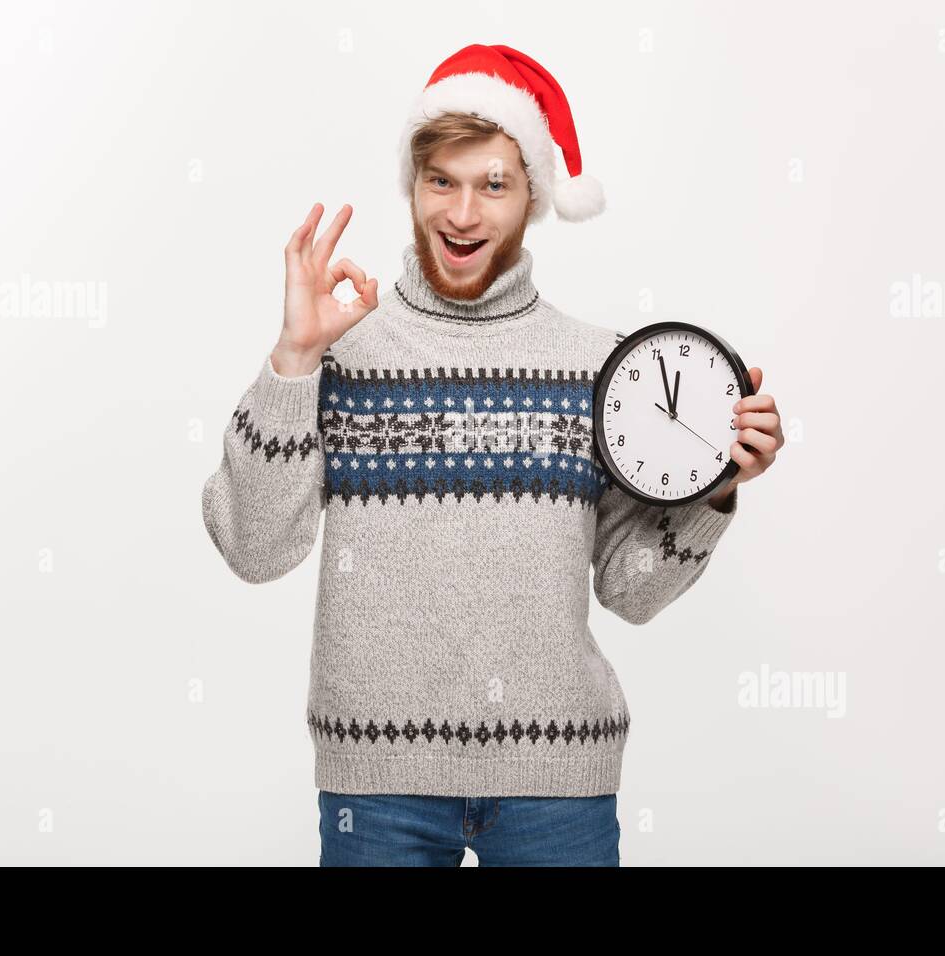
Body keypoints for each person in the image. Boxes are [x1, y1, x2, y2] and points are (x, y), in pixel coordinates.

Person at [201, 44, 783, 866]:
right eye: (442, 180)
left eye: (493, 185)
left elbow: (630, 591)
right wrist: (293, 360)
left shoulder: (599, 369)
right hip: (377, 782)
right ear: (413, 185)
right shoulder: (342, 350)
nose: (464, 214)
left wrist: (715, 491)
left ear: (534, 196)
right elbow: (254, 547)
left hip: (560, 784)